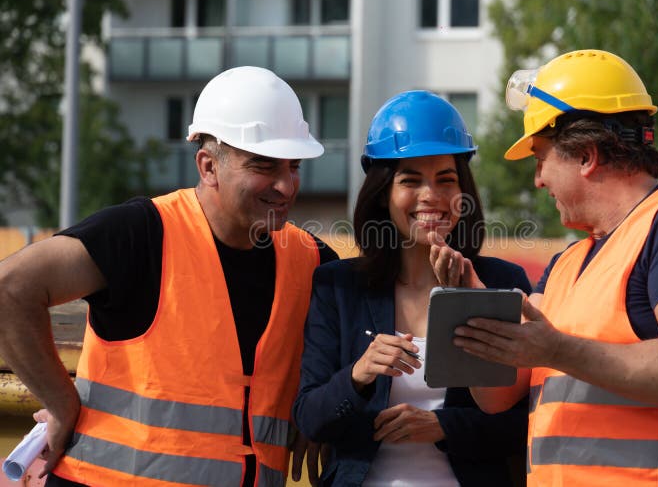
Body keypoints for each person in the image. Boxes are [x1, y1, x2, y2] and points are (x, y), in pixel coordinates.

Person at [0, 66, 338, 487]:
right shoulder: (143, 234)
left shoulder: (312, 261)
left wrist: (319, 408)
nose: (286, 186)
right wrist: (61, 401)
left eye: (294, 166)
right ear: (208, 165)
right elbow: (10, 289)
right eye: (265, 166)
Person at [454, 50, 658, 486]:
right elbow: (497, 398)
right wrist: (471, 306)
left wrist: (555, 349)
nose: (537, 179)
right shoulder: (567, 265)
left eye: (541, 158)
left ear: (586, 156)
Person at [291, 91, 532, 486]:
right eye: (410, 180)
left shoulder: (504, 283)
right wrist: (358, 373)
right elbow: (311, 418)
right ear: (383, 194)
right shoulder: (339, 287)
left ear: (464, 195)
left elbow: (525, 419)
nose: (430, 196)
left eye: (445, 180)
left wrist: (444, 426)